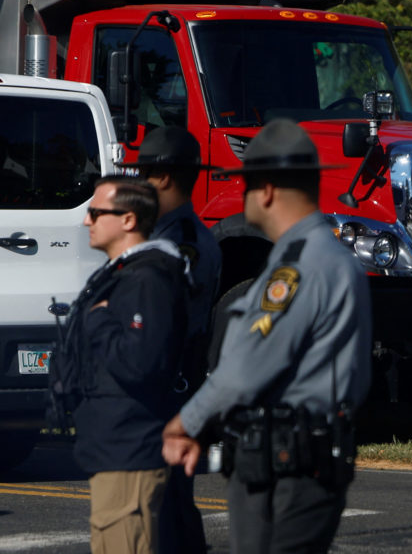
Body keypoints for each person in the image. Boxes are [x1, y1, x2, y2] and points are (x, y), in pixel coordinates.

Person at [161, 119, 371, 554]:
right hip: (304, 459)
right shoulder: (330, 257)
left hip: (284, 469)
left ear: (268, 190)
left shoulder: (297, 267)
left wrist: (187, 422)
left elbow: (244, 369)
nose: (242, 195)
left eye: (245, 184)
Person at [60, 176, 190, 554]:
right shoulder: (124, 274)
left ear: (129, 220)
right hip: (112, 450)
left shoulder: (148, 279)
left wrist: (99, 321)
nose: (87, 220)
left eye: (97, 212)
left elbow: (140, 363)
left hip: (130, 452)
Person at [134, 126, 222, 554]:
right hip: (167, 385)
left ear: (164, 177)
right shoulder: (166, 236)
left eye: (143, 172)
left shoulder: (182, 243)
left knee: (163, 507)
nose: (139, 182)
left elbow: (159, 320)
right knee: (167, 505)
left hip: (170, 386)